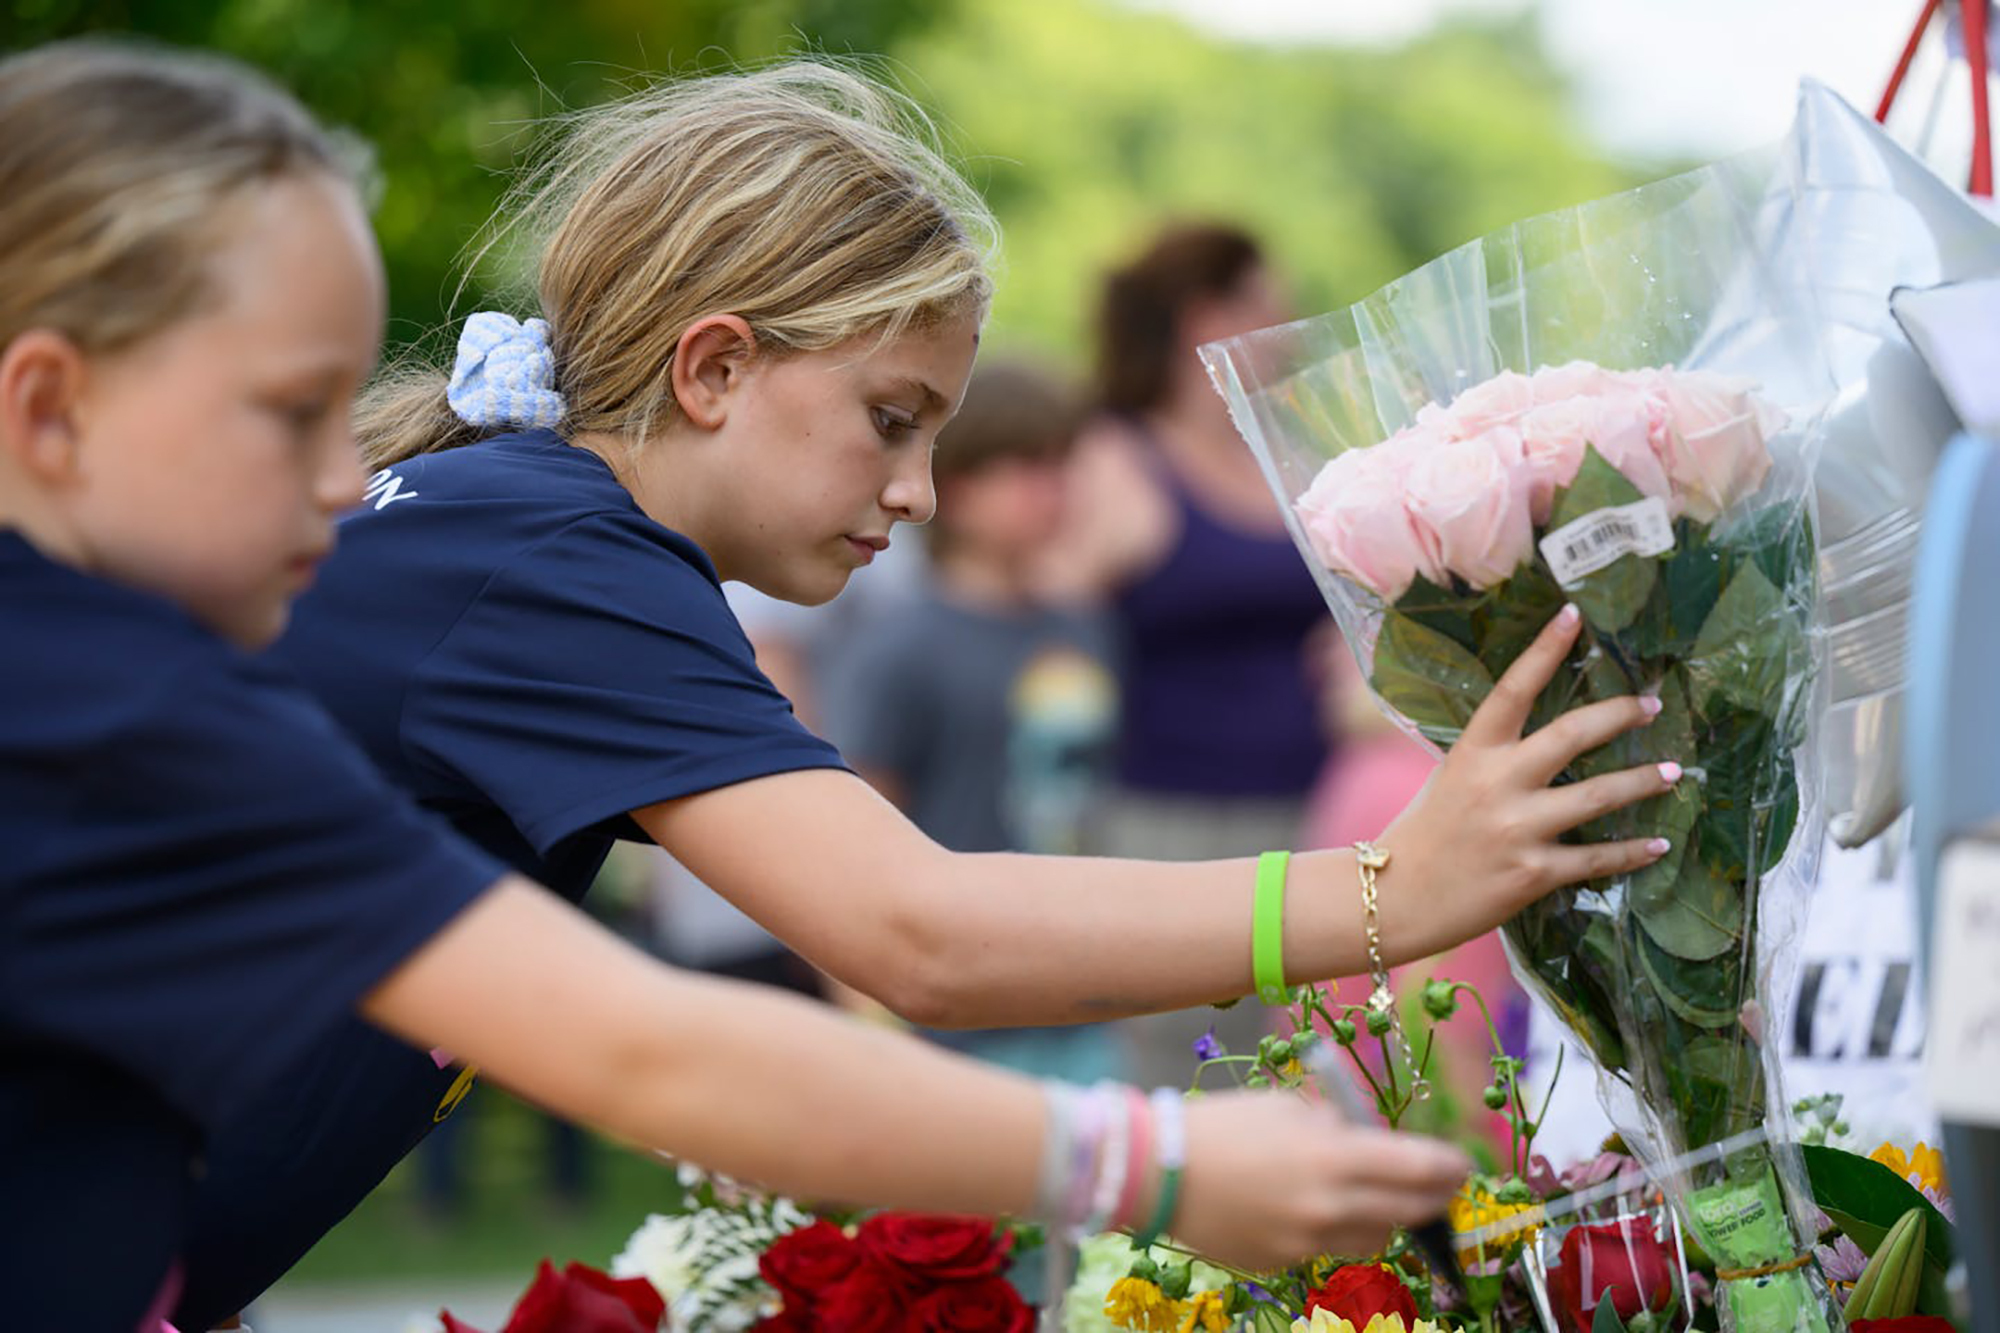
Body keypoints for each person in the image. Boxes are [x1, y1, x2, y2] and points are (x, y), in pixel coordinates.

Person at [0, 42, 1514, 1333]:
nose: (920, 491)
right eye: (892, 418)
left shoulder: (500, 540)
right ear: (713, 368)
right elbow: (901, 937)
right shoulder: (553, 563)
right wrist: (1383, 895)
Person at [1043, 222, 1349, 1087]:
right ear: (1205, 317)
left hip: (1318, 819)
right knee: (1197, 1077)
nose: (1291, 324)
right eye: (1269, 301)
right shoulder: (1117, 455)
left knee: (1318, 1067)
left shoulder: (1288, 449)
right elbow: (1039, 622)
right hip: (1172, 830)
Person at [820, 358, 1122, 1082]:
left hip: (1083, 999)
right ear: (955, 484)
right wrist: (873, 1024)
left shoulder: (1088, 627)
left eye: (1061, 464)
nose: (1055, 489)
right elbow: (849, 842)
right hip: (955, 1024)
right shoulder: (903, 645)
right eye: (1026, 466)